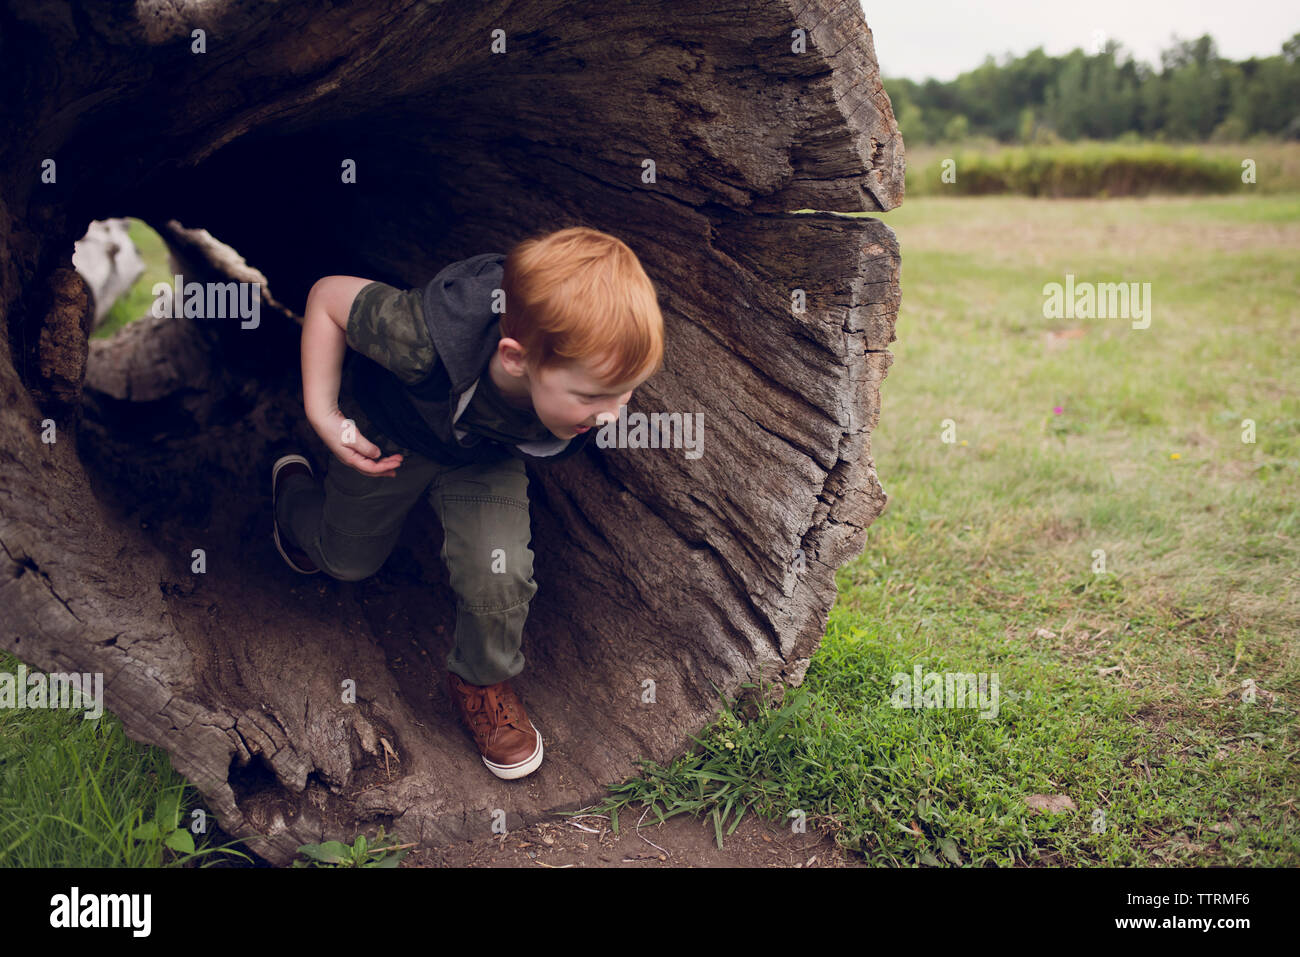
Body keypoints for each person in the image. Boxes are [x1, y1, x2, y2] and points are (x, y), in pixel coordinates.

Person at [271, 226, 664, 779]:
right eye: (593, 396)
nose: (610, 415)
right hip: (392, 438)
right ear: (515, 357)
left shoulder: (583, 385)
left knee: (499, 574)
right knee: (346, 560)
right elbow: (328, 297)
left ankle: (481, 680)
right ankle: (292, 495)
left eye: (624, 393)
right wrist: (324, 411)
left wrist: (595, 398)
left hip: (481, 458)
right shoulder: (424, 337)